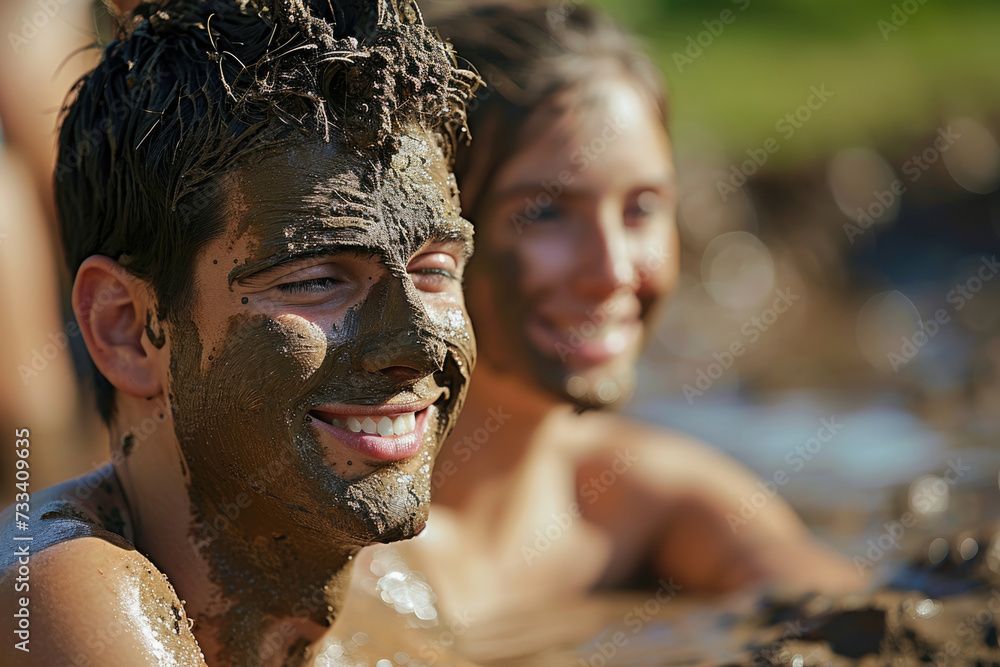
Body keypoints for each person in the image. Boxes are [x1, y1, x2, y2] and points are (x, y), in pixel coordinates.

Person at [0, 0, 478, 664]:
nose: (419, 343)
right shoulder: (61, 586)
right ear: (127, 328)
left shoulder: (393, 595)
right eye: (316, 279)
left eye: (433, 269)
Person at [371, 3, 864, 621]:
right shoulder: (353, 545)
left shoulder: (649, 497)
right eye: (546, 212)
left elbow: (869, 623)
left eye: (641, 208)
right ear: (426, 233)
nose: (611, 271)